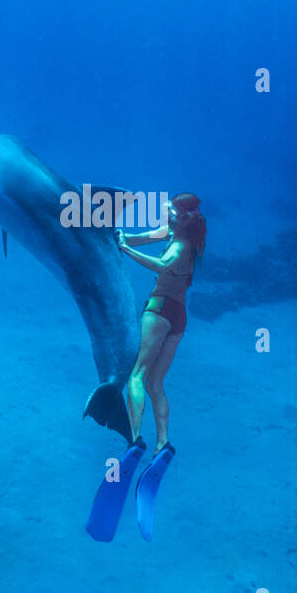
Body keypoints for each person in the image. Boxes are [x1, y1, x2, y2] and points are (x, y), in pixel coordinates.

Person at [116, 193, 206, 451]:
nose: (165, 210)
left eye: (170, 210)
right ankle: (162, 443)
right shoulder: (183, 235)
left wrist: (126, 249)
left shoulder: (180, 245)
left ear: (180, 217)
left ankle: (134, 439)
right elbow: (145, 237)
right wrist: (122, 238)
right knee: (155, 383)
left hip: (159, 310)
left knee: (137, 375)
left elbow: (162, 265)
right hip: (179, 317)